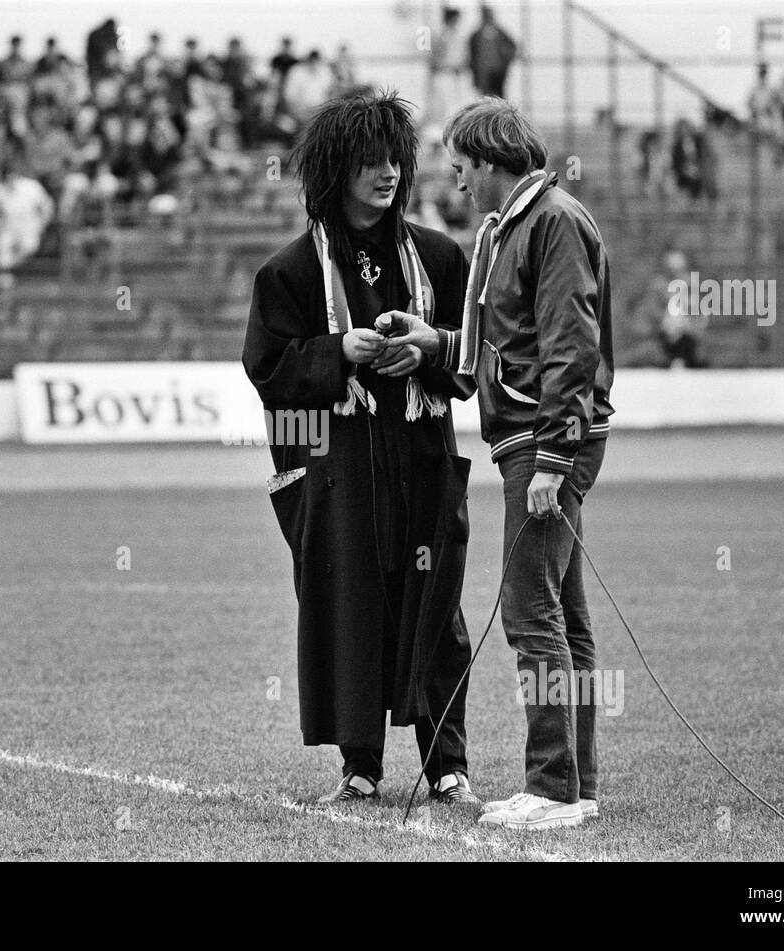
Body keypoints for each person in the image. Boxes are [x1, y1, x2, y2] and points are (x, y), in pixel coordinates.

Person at [242, 90, 481, 808]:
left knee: (435, 610)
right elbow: (268, 370)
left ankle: (448, 765)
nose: (385, 173)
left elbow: (473, 360)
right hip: (340, 471)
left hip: (421, 459)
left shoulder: (439, 257)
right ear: (336, 169)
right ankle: (360, 767)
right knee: (351, 608)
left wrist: (427, 357)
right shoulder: (288, 272)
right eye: (369, 161)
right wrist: (337, 351)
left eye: (394, 160)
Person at [385, 97, 614, 831]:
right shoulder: (502, 227)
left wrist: (553, 458)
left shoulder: (553, 221)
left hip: (543, 445)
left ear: (490, 161)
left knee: (529, 612)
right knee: (563, 613)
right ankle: (572, 784)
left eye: (461, 168)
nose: (456, 183)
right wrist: (431, 341)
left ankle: (550, 787)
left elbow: (570, 347)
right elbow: (493, 346)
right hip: (529, 439)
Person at [468, 5, 517, 98]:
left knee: (499, 95)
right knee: (485, 96)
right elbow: (472, 54)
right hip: (483, 71)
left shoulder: (500, 32)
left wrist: (507, 59)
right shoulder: (476, 35)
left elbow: (513, 46)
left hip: (498, 70)